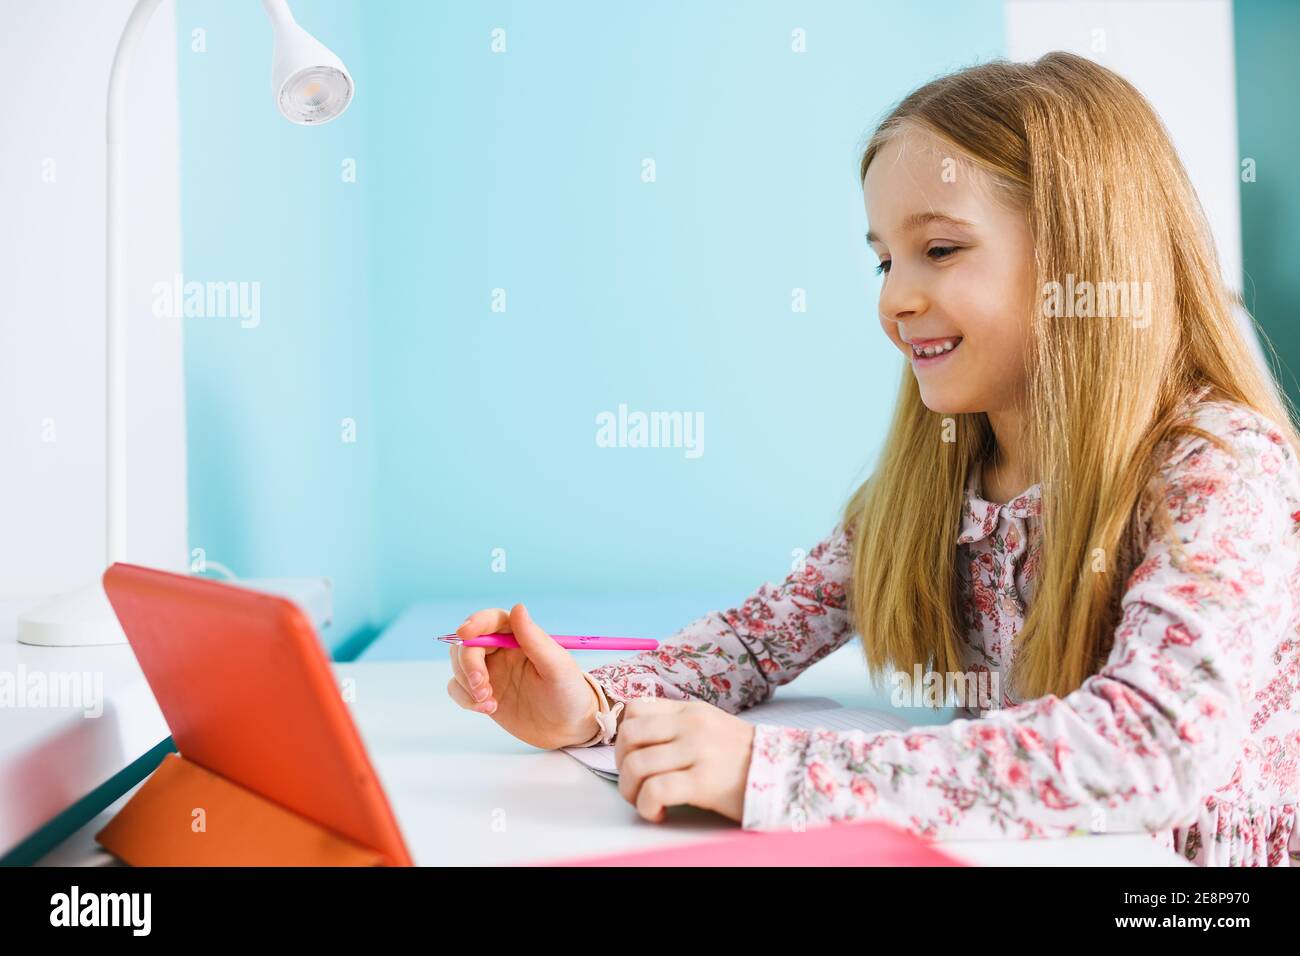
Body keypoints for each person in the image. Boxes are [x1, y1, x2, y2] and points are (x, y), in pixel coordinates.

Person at [444, 52, 1300, 866]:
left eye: (939, 250)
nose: (894, 300)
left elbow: (1153, 749)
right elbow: (753, 643)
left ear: (1082, 258)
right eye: (884, 259)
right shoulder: (942, 479)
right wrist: (594, 706)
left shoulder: (1220, 470)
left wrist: (773, 775)